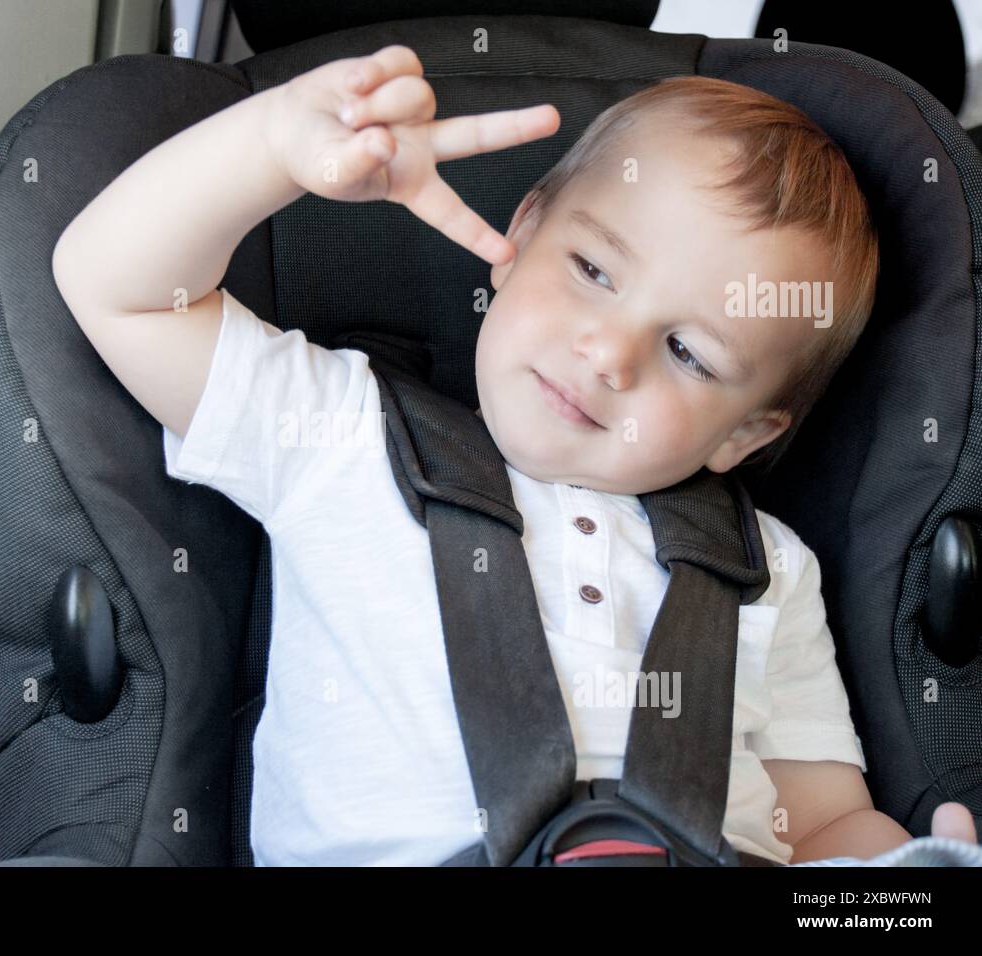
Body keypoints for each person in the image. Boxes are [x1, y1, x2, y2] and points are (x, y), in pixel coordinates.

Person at [52, 44, 978, 865]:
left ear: (745, 433)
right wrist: (276, 148)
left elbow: (821, 827)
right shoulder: (336, 433)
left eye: (689, 353)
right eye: (593, 271)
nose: (607, 355)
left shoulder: (769, 568)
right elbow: (118, 289)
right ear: (522, 233)